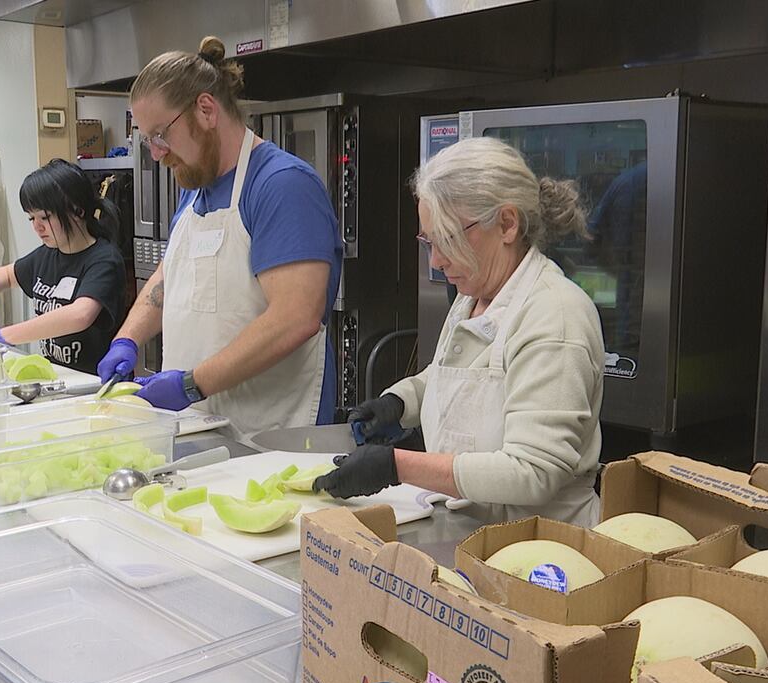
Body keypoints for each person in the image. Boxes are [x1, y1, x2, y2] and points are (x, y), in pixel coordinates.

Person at [315, 137, 605, 526]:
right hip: (470, 526)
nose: (435, 260)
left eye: (449, 239)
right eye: (429, 242)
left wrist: (396, 466)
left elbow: (534, 472)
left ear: (506, 223)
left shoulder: (555, 315)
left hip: (542, 550)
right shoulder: (475, 295)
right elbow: (470, 379)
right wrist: (402, 402)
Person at [98, 36, 342, 439]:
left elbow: (294, 318)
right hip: (202, 425)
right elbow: (170, 277)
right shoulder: (195, 188)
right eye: (148, 140)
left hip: (272, 436)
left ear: (206, 110)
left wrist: (191, 384)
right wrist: (127, 339)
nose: (157, 154)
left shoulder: (281, 186)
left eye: (161, 135)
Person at [0, 159, 127, 375]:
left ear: (78, 211)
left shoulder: (104, 260)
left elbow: (80, 314)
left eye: (44, 216)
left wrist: (6, 336)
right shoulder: (46, 255)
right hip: (60, 377)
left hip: (96, 383)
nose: (37, 226)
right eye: (31, 218)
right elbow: (7, 274)